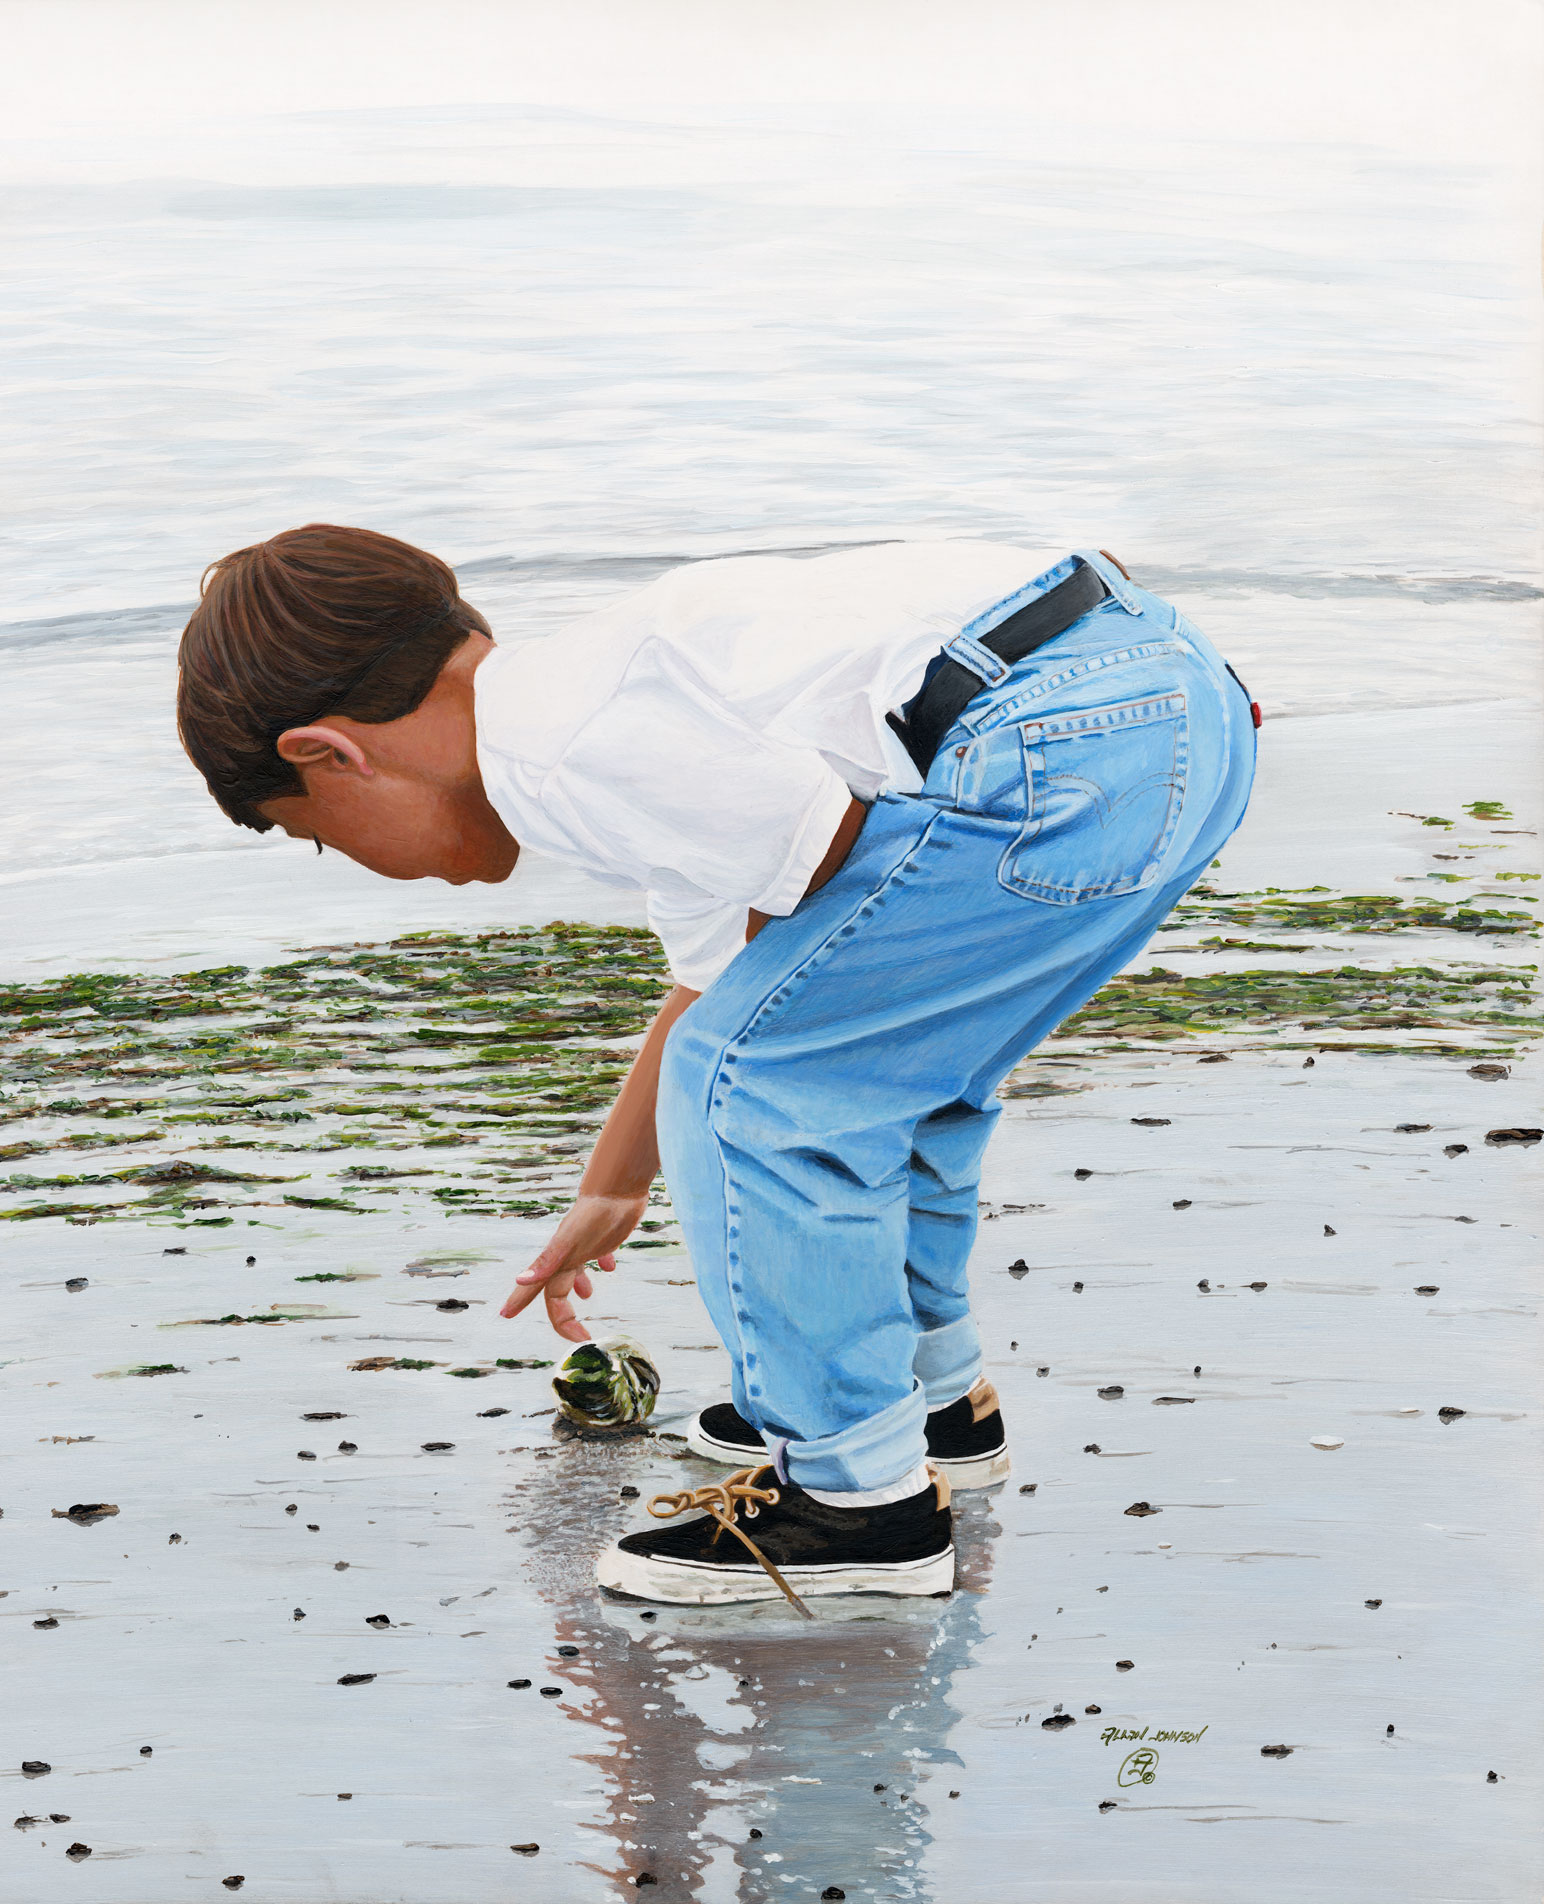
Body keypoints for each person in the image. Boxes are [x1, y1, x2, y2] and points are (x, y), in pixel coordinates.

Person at [177, 524, 1257, 1611]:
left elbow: (805, 921)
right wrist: (614, 1182)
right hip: (1163, 704)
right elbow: (731, 969)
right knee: (882, 1073)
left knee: (764, 1089)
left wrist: (740, 1098)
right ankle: (927, 1404)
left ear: (328, 754)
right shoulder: (587, 705)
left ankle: (855, 1498)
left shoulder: (559, 752)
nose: (351, 857)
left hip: (1052, 739)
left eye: (313, 834)